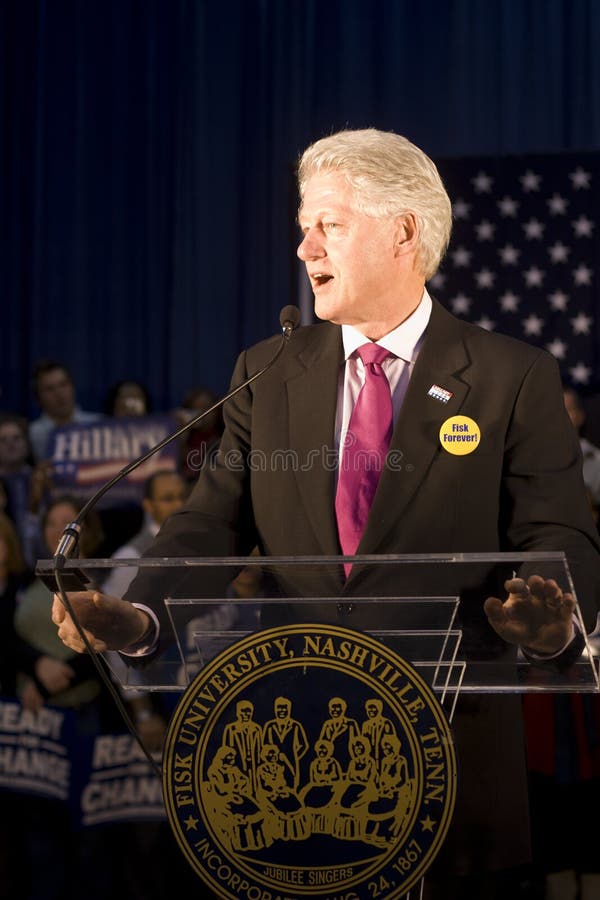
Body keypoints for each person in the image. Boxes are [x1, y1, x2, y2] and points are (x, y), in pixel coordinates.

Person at [53, 128, 600, 898]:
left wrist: (554, 617)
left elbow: (559, 536)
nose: (305, 247)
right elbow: (209, 524)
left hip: (457, 772)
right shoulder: (267, 373)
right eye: (304, 226)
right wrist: (138, 618)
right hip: (297, 785)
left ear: (404, 230)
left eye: (328, 226)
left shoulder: (513, 377)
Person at [28, 359, 100, 462]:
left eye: (63, 384)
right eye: (49, 389)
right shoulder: (31, 435)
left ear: (73, 387)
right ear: (38, 398)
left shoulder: (99, 423)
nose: (59, 393)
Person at [563, 385, 600, 518]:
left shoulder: (596, 460)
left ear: (579, 416)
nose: (561, 418)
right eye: (556, 412)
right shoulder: (533, 460)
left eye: (567, 410)